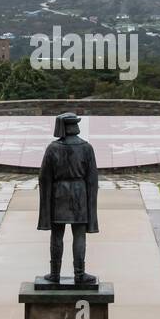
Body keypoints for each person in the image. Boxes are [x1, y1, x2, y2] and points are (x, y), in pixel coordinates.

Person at [36, 112, 100, 285]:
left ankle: (54, 273)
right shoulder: (86, 148)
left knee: (57, 235)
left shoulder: (53, 148)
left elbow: (44, 177)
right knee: (79, 235)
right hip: (79, 195)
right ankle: (79, 274)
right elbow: (92, 179)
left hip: (59, 195)